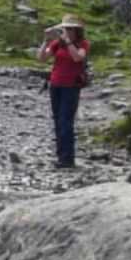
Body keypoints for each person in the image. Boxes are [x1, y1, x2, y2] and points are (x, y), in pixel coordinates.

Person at [37, 14, 91, 169]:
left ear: (76, 31)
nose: (66, 32)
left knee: (66, 122)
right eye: (65, 29)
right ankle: (61, 156)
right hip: (55, 84)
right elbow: (41, 58)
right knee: (57, 121)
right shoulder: (57, 44)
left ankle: (68, 159)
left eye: (69, 29)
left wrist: (68, 42)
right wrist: (46, 41)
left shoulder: (83, 44)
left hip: (71, 86)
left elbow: (77, 58)